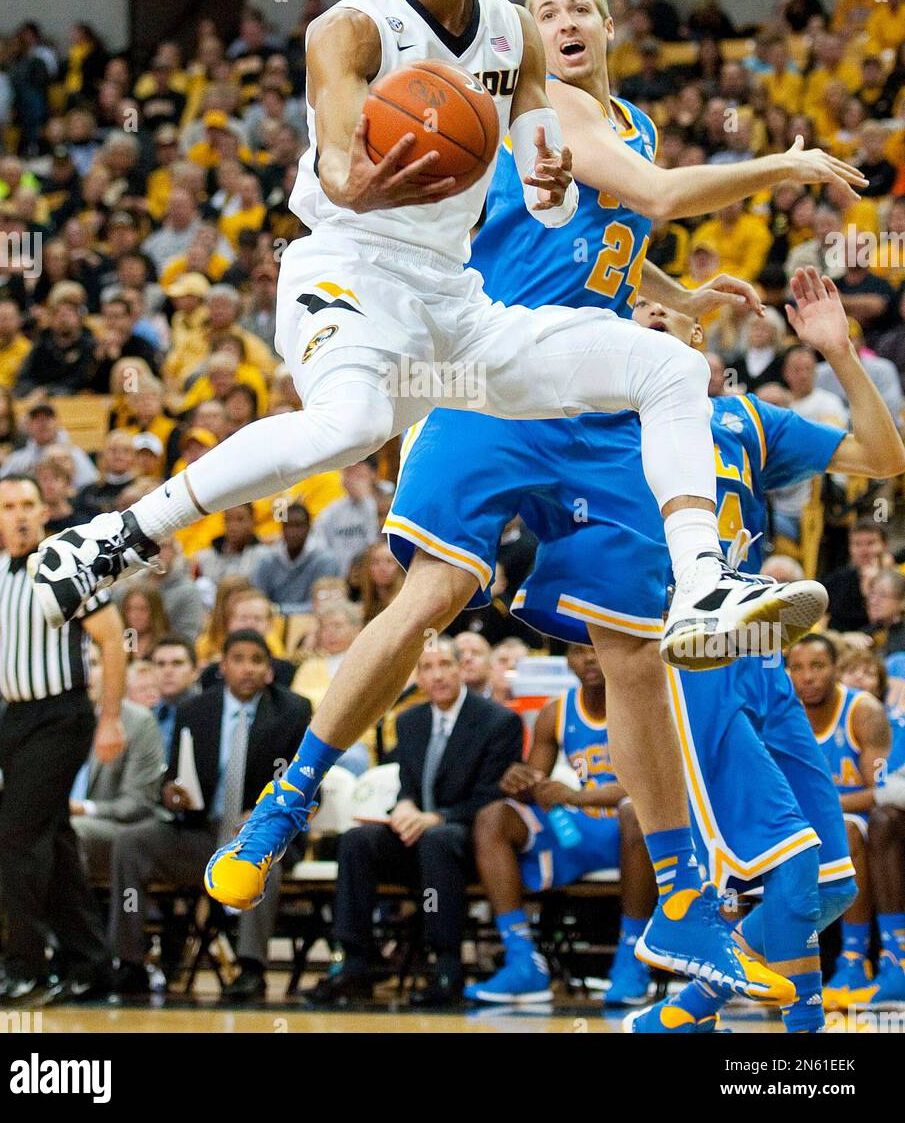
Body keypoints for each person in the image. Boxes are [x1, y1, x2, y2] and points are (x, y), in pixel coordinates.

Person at [31, 0, 853, 935]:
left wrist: (563, 192)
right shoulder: (352, 26)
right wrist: (346, 164)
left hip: (455, 304)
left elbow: (551, 174)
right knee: (355, 423)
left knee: (666, 368)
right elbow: (333, 121)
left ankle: (702, 587)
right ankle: (123, 533)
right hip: (344, 266)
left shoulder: (509, 36)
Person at [381, 0, 861, 1003]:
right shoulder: (540, 114)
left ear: (607, 27)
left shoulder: (632, 122)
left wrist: (681, 291)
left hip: (627, 461)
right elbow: (655, 199)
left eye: (576, 9)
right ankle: (710, 964)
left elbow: (618, 240)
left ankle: (718, 950)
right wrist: (781, 161)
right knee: (453, 607)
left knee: (664, 694)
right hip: (510, 374)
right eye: (542, 10)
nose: (560, 23)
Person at [624, 267, 902, 1031]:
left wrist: (840, 353)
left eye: (659, 308)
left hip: (760, 645)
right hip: (686, 654)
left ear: (695, 334)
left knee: (830, 884)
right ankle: (769, 1035)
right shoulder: (601, 424)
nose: (646, 316)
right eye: (632, 311)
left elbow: (884, 460)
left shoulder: (743, 419)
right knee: (791, 868)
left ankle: (696, 1002)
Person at [0, 477, 126, 1006]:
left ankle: (25, 965)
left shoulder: (65, 564)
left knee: (15, 837)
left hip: (63, 715)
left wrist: (110, 719)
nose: (20, 515)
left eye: (29, 505)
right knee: (51, 843)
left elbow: (113, 641)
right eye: (9, 507)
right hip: (16, 719)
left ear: (43, 511)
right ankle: (89, 961)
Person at [307, 638, 522, 1006]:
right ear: (417, 677)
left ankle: (446, 966)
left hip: (473, 843)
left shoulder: (499, 721)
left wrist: (434, 817)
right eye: (426, 668)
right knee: (358, 841)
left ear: (461, 668)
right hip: (422, 836)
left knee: (438, 838)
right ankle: (353, 965)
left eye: (444, 665)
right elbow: (407, 785)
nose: (436, 675)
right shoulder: (409, 721)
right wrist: (405, 808)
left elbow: (493, 798)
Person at [108, 629, 310, 1003]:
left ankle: (251, 969)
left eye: (257, 661)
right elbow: (173, 777)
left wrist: (265, 815)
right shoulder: (195, 711)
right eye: (239, 659)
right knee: (130, 843)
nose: (247, 669)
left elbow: (311, 787)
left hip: (265, 835)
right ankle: (130, 962)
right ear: (223, 667)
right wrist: (172, 794)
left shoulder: (293, 712)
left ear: (269, 670)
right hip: (201, 831)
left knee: (260, 856)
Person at [467, 642, 655, 1006]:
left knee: (636, 811)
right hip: (580, 833)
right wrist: (519, 781)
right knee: (492, 817)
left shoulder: (643, 703)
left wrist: (577, 797)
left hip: (636, 835)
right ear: (566, 660)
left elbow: (652, 787)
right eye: (577, 650)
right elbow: (538, 785)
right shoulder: (555, 712)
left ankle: (633, 958)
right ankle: (523, 960)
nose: (589, 657)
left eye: (598, 647)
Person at [789, 633, 895, 1004]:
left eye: (817, 666)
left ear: (837, 669)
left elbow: (880, 793)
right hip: (797, 825)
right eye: (798, 668)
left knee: (846, 830)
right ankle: (765, 963)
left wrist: (824, 808)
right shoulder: (780, 714)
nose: (808, 677)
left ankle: (854, 959)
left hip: (855, 819)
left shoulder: (861, 711)